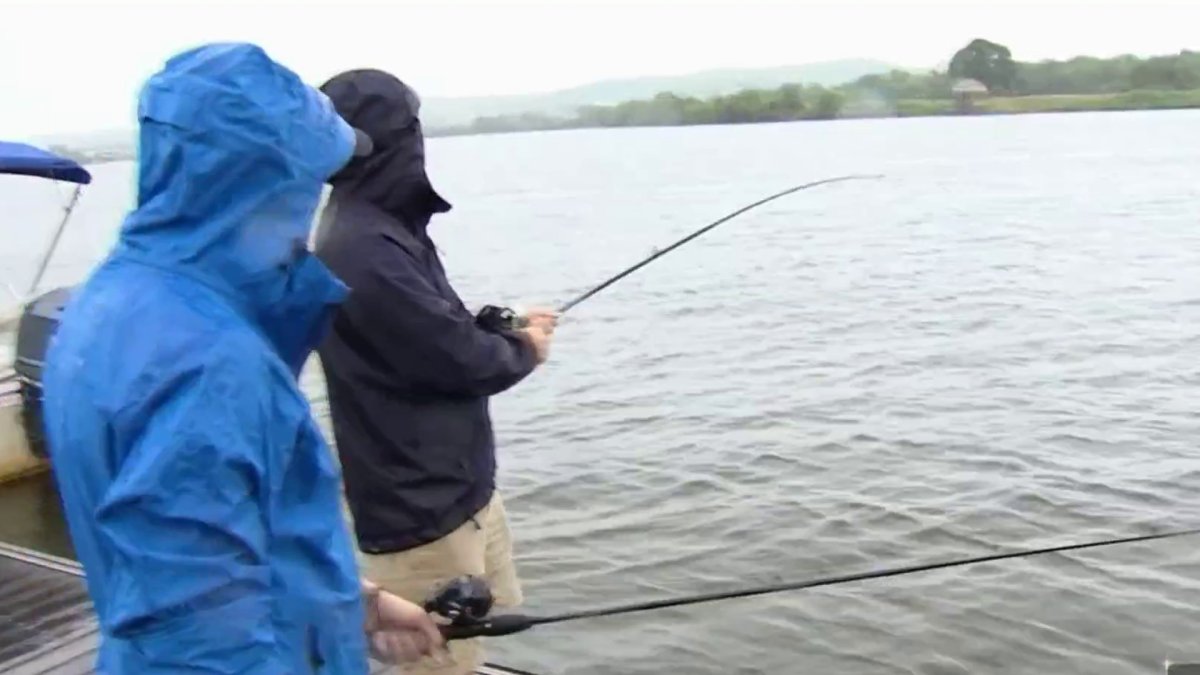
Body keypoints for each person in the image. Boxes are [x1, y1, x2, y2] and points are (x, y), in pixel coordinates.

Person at [42, 43, 444, 673]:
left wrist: (348, 604)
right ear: (272, 180)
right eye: (313, 177)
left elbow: (199, 556)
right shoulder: (211, 368)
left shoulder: (108, 304)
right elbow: (198, 644)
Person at [314, 68, 556, 674]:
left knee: (471, 649)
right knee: (438, 663)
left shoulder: (385, 228)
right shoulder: (361, 246)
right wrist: (525, 348)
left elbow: (430, 333)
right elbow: (460, 360)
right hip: (421, 516)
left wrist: (502, 326)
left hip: (462, 490)